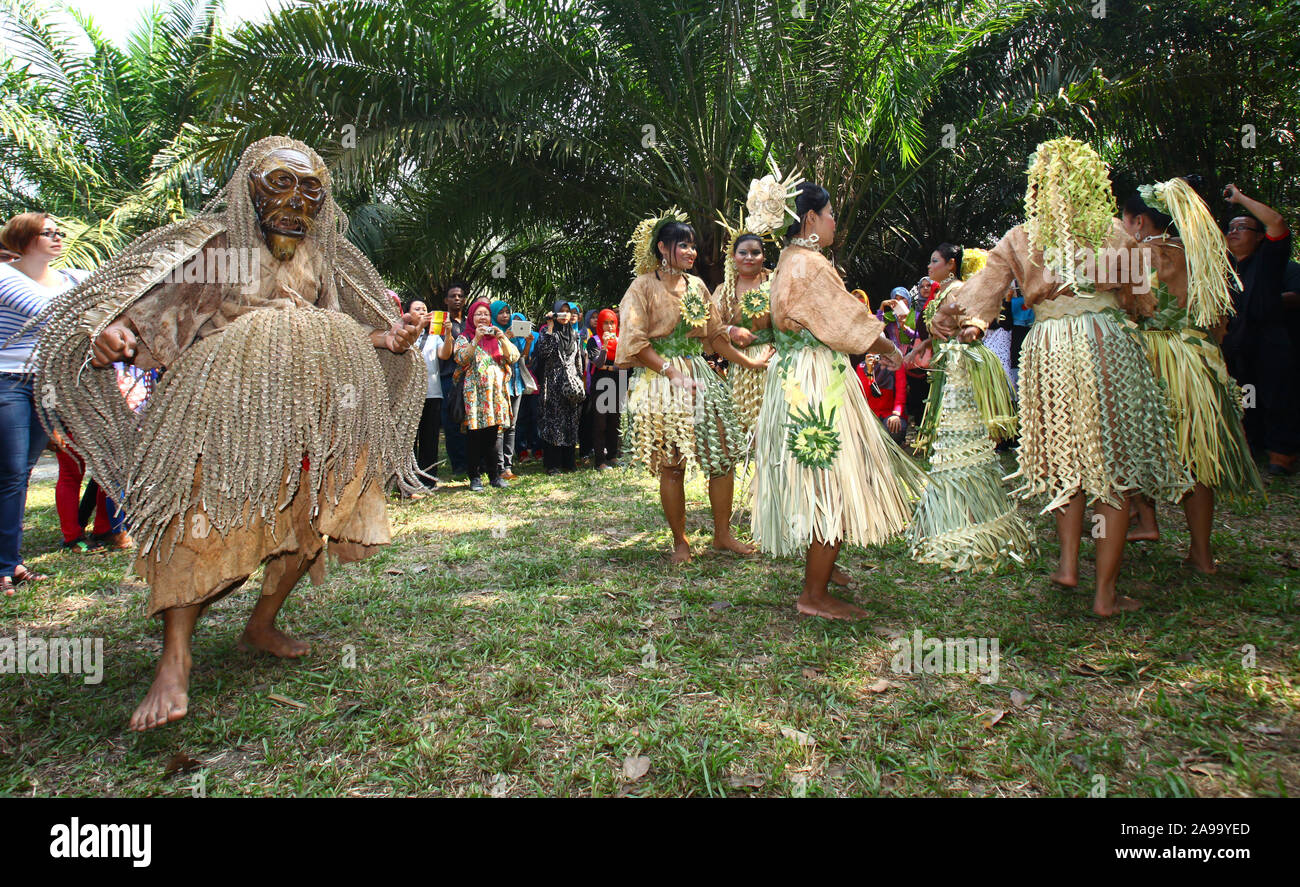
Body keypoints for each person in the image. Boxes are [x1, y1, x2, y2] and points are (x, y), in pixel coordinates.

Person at [31, 136, 424, 728]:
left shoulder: (323, 257)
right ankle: (175, 662)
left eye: (310, 190)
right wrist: (113, 334)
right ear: (249, 187)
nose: (294, 202)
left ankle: (259, 626)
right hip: (221, 416)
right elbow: (153, 309)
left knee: (313, 515)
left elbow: (338, 321)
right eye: (279, 185)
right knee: (200, 523)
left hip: (309, 414)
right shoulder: (220, 248)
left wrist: (388, 339)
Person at [935, 137, 1190, 616]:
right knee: (1112, 468)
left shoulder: (1021, 236)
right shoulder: (1115, 234)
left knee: (1065, 463)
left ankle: (1069, 566)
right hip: (1102, 342)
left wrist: (955, 317)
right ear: (1092, 183)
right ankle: (1105, 596)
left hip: (1049, 347)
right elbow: (1144, 301)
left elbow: (982, 294)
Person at [749, 181, 924, 618]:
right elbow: (849, 320)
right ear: (810, 218)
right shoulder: (811, 264)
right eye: (829, 215)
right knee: (833, 478)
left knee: (818, 475)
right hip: (817, 380)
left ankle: (824, 569)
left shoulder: (788, 261)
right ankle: (814, 595)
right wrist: (894, 351)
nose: (833, 223)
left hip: (793, 379)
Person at [1121, 177, 1265, 571]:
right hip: (1195, 362)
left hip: (1148, 359)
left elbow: (1129, 310)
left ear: (1138, 222)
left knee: (1128, 442)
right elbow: (1219, 317)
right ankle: (1202, 554)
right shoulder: (1200, 254)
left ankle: (1144, 518)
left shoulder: (1135, 257)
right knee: (1197, 456)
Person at [616, 209, 757, 563]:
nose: (691, 253)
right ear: (663, 248)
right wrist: (670, 371)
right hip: (662, 378)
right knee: (673, 463)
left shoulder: (696, 286)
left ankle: (723, 535)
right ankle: (680, 541)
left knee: (722, 454)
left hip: (699, 373)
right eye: (683, 246)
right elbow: (634, 341)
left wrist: (746, 356)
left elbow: (714, 334)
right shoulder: (642, 287)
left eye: (693, 246)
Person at [0, 212, 89, 595]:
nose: (57, 237)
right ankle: (5, 565)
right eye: (47, 232)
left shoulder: (71, 277)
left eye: (60, 232)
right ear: (23, 238)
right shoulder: (4, 276)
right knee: (11, 473)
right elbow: (53, 314)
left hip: (45, 384)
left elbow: (120, 296)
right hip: (8, 381)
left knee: (21, 473)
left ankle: (11, 561)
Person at [1218, 184, 1295, 475]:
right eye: (1231, 227)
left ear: (1260, 238)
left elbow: (1276, 222)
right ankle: (1247, 449)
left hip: (1269, 341)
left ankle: (1282, 455)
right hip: (1237, 344)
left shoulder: (1268, 260)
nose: (1233, 232)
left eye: (1243, 228)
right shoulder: (1222, 268)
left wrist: (1238, 199)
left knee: (1277, 396)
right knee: (1243, 398)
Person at [713, 225, 778, 436]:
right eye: (743, 252)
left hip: (776, 362)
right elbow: (708, 325)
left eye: (755, 252)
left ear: (763, 256)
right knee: (747, 430)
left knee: (774, 427)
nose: (749, 257)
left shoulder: (775, 283)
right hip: (741, 367)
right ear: (734, 257)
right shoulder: (723, 291)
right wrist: (730, 330)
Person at [455, 299, 520, 491]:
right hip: (474, 396)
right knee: (474, 436)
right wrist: (475, 339)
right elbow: (460, 358)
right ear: (471, 318)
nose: (482, 318)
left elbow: (514, 357)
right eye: (478, 314)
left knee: (493, 437)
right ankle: (475, 477)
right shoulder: (464, 337)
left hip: (494, 395)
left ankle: (495, 476)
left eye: (485, 314)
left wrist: (502, 338)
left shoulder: (497, 338)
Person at [534, 300, 585, 474]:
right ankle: (552, 464)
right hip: (553, 383)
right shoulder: (548, 333)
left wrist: (579, 380)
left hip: (570, 383)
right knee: (553, 422)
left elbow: (578, 360)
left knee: (570, 421)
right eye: (561, 312)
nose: (565, 315)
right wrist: (549, 326)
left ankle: (568, 462)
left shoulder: (574, 334)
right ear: (555, 314)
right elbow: (543, 352)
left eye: (567, 312)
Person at [409, 298, 442, 489]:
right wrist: (419, 326)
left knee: (430, 438)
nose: (422, 311)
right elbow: (403, 347)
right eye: (417, 309)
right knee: (410, 439)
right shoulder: (403, 332)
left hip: (432, 392)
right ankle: (409, 479)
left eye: (424, 309)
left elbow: (445, 355)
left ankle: (429, 479)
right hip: (410, 394)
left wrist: (446, 333)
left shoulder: (434, 336)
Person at [438, 281, 469, 479]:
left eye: (460, 296)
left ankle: (473, 460)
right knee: (452, 421)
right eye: (453, 296)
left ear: (465, 300)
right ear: (446, 300)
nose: (456, 299)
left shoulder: (469, 323)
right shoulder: (439, 324)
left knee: (470, 420)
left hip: (469, 378)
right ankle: (458, 464)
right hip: (448, 377)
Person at [490, 299, 524, 480]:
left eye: (507, 312)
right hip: (499, 384)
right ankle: (498, 466)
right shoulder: (491, 334)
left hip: (516, 384)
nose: (505, 316)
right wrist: (505, 338)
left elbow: (520, 357)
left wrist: (526, 341)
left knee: (512, 425)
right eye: (501, 313)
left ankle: (508, 465)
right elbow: (496, 357)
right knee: (500, 426)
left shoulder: (514, 331)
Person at [587, 307, 624, 469]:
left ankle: (613, 455)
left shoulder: (622, 340)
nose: (609, 326)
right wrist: (605, 345)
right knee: (600, 422)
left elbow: (625, 365)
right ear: (600, 324)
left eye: (612, 323)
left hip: (620, 382)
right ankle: (600, 460)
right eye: (606, 323)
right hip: (601, 384)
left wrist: (611, 368)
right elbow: (599, 363)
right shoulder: (593, 340)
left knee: (615, 420)